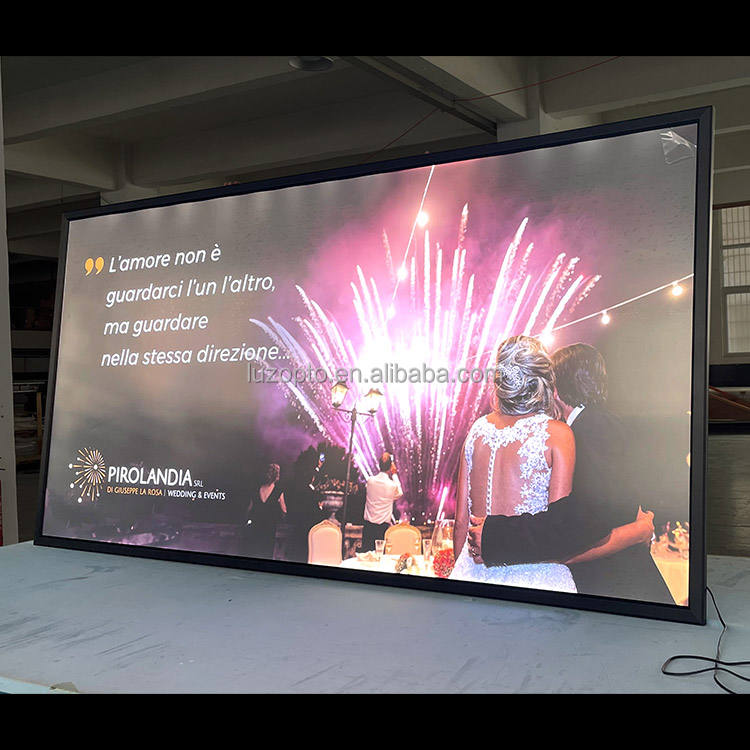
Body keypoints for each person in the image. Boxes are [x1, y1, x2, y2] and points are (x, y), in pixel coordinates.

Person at [467, 343, 672, 604]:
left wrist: (495, 537)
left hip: (615, 588)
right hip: (611, 586)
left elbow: (582, 521)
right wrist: (638, 530)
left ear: (555, 388)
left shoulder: (593, 429)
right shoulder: (596, 424)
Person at [450, 335, 579, 591]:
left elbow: (461, 522)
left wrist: (462, 574)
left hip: (473, 572)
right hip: (535, 578)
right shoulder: (558, 434)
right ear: (543, 381)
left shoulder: (477, 430)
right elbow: (557, 529)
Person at [243, 463, 287, 559]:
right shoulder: (278, 491)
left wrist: (246, 521)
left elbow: (249, 508)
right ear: (277, 475)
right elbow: (284, 510)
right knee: (267, 553)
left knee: (254, 551)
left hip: (256, 524)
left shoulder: (257, 489)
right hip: (270, 526)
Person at [362, 452, 403, 552]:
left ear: (379, 465)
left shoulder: (370, 481)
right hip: (383, 529)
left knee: (366, 558)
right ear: (390, 467)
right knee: (381, 557)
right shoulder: (392, 485)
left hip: (368, 527)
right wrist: (394, 474)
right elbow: (400, 493)